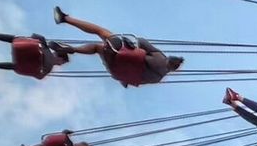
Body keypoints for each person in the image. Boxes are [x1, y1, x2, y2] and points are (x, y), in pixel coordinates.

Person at [52, 7, 184, 87]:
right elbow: (136, 81)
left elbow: (142, 42)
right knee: (98, 49)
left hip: (121, 53)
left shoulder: (159, 56)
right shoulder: (157, 79)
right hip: (116, 70)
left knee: (101, 32)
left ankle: (65, 19)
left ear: (169, 59)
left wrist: (134, 46)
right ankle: (72, 49)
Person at [0, 27, 70, 79]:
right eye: (63, 62)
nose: (61, 64)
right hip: (27, 54)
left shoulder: (47, 56)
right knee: (15, 65)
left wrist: (40, 43)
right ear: (60, 58)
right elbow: (39, 76)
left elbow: (35, 36)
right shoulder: (48, 67)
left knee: (16, 40)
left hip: (26, 57)